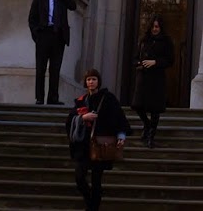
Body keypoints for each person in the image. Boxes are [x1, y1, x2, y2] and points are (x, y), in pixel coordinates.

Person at [65, 68, 130, 211]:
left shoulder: (108, 98)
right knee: (79, 178)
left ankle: (93, 208)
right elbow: (69, 120)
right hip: (83, 146)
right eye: (88, 79)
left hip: (100, 145)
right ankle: (91, 203)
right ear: (85, 82)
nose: (91, 82)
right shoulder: (82, 101)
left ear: (98, 81)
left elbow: (119, 117)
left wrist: (121, 136)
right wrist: (82, 118)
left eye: (94, 79)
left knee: (96, 180)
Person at [29, 0, 78, 105]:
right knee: (41, 68)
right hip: (44, 35)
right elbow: (32, 18)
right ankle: (39, 98)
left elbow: (73, 6)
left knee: (55, 69)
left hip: (58, 37)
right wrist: (37, 35)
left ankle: (53, 98)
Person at [132, 15, 176, 146]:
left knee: (155, 109)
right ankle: (147, 125)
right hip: (143, 77)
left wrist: (155, 62)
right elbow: (134, 58)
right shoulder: (143, 40)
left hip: (157, 79)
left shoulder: (166, 41)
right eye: (153, 26)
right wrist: (140, 63)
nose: (155, 29)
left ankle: (151, 135)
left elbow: (170, 60)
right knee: (138, 105)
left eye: (157, 26)